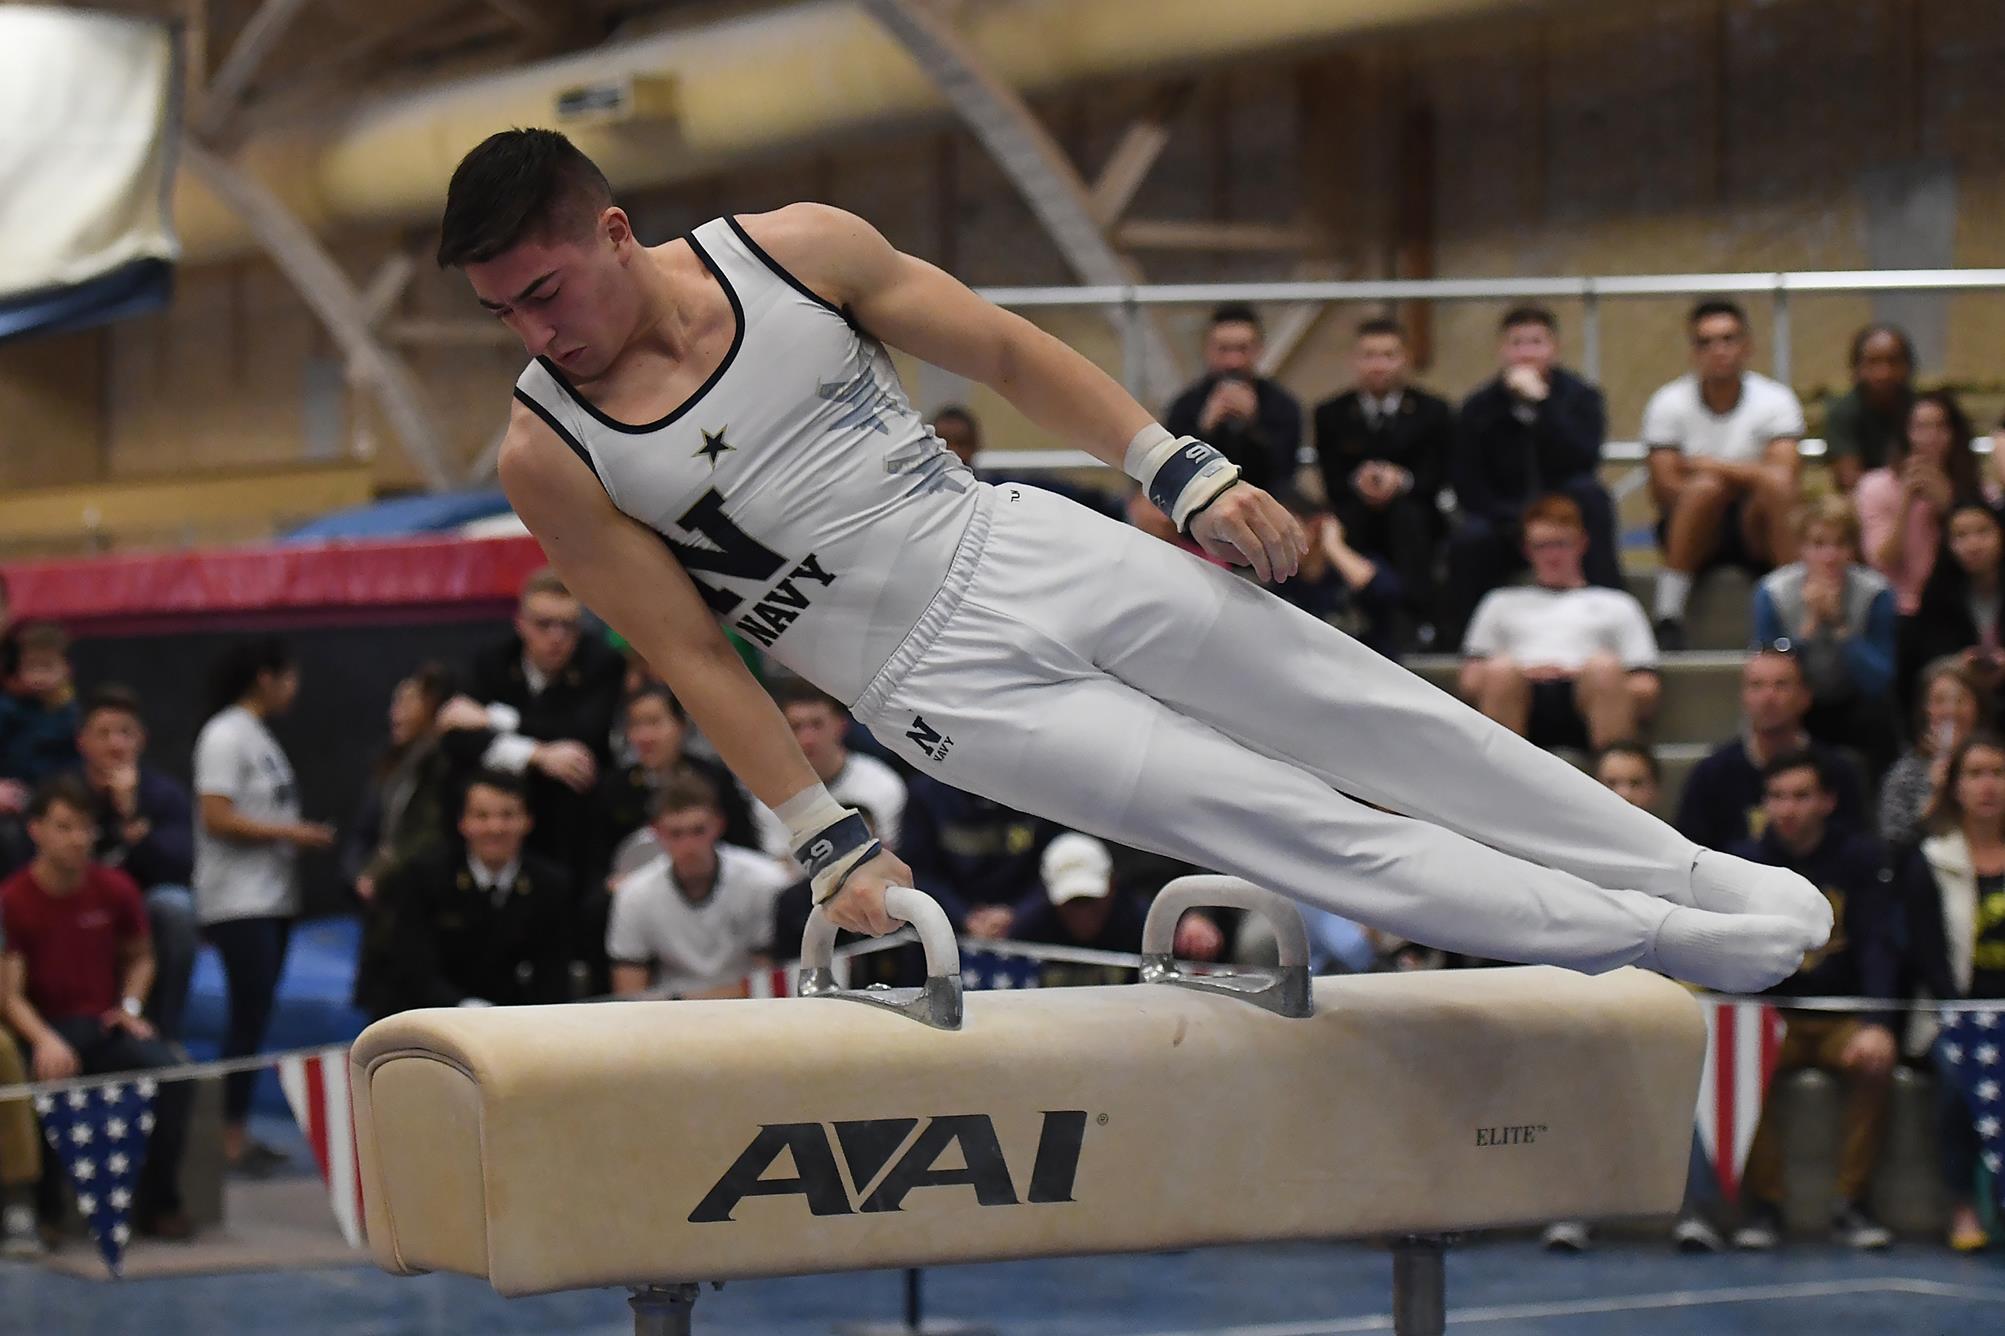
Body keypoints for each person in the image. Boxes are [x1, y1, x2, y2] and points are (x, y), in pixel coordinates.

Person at [445, 127, 1827, 999]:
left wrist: (1177, 467)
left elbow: (1000, 349)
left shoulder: (793, 252)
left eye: (545, 290)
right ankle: (1644, 941)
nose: (535, 332)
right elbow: (689, 652)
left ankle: (1684, 876)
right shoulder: (545, 449)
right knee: (1290, 826)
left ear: (613, 230)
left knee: (1384, 719)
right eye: (502, 311)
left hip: (1020, 538)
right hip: (938, 690)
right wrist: (827, 843)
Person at [1541, 739, 1728, 1255]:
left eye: (1635, 783)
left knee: (1688, 1072)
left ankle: (1694, 1212)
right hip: (1585, 1001)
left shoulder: (1692, 866)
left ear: (1656, 790)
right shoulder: (1563, 864)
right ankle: (1571, 1208)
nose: (1623, 795)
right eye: (1612, 784)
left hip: (1670, 1005)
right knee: (1580, 1060)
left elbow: (1703, 950)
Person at [0, 776, 193, 1239]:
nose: (77, 840)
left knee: (170, 1071)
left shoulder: (116, 889)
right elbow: (9, 993)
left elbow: (141, 954)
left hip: (105, 1024)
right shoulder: (14, 899)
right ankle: (44, 1210)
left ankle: (160, 1202)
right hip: (46, 1027)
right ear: (37, 831)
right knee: (35, 1074)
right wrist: (44, 1039)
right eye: (64, 828)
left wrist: (130, 1006)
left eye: (84, 829)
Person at [1727, 752, 1901, 1252]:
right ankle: (1764, 1204)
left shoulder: (1860, 859)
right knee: (1739, 1063)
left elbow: (1876, 944)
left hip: (1838, 1015)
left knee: (1878, 1061)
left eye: (1801, 796)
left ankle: (1852, 1201)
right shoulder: (1743, 864)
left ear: (1827, 801)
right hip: (1769, 1017)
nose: (1788, 809)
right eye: (1778, 796)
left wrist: (1877, 1021)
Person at [192, 638, 333, 1177]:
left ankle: (238, 1128)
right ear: (265, 677)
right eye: (289, 676)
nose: (294, 689)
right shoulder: (225, 735)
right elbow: (216, 815)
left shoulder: (259, 737)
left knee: (255, 1014)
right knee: (246, 1015)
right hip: (238, 900)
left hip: (271, 895)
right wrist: (290, 832)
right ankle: (228, 1134)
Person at [1447, 307, 1621, 648]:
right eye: (1517, 343)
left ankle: (1612, 617)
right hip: (1503, 520)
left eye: (1536, 342)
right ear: (1502, 350)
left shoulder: (1582, 397)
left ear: (1554, 348)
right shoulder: (1478, 407)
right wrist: (1514, 519)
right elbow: (1467, 481)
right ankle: (1462, 641)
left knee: (1593, 498)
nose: (1526, 352)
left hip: (1564, 514)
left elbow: (1584, 458)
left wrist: (1543, 405)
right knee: (1469, 539)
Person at [1892, 730, 2005, 1251]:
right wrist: (1959, 1010)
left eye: (1998, 774)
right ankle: (1962, 1202)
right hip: (1953, 1013)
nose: (1988, 786)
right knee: (1961, 1079)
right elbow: (1928, 953)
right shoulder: (1931, 859)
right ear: (1955, 787)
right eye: (1976, 774)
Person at [1643, 300, 1807, 650]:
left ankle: (1794, 614)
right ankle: (1668, 616)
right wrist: (1727, 482)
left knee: (1767, 487)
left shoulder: (1775, 399)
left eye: (1728, 339)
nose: (1719, 351)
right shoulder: (1668, 402)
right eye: (1706, 342)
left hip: (1757, 526)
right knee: (1704, 490)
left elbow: (1785, 478)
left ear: (1747, 346)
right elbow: (1664, 489)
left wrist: (1714, 467)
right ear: (1693, 351)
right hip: (1695, 527)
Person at [354, 772, 572, 1019]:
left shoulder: (549, 884)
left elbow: (552, 973)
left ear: (528, 821)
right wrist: (469, 1009)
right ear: (463, 823)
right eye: (481, 816)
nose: (495, 828)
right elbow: (413, 966)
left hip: (512, 1024)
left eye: (508, 816)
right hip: (430, 1018)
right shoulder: (424, 877)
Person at [1458, 495, 1659, 751]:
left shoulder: (1618, 603)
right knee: (1500, 670)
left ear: (1581, 544)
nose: (1552, 555)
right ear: (1527, 550)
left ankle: (1613, 772)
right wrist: (1526, 673)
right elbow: (1470, 681)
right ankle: (1500, 780)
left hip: (1590, 700)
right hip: (1518, 699)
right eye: (1542, 545)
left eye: (1561, 544)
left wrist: (1580, 675)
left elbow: (1647, 687)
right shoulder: (1500, 602)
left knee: (1603, 667)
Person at [467, 567, 628, 879]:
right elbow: (459, 738)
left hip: (574, 817)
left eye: (568, 625)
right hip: (505, 807)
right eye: (544, 624)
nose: (557, 637)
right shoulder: (492, 662)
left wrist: (496, 718)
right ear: (521, 624)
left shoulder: (602, 662)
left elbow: (584, 733)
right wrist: (537, 755)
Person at [68, 685, 200, 1042]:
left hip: (140, 907)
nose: (116, 744)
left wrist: (130, 814)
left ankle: (163, 1035)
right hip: (74, 904)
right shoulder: (65, 794)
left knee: (175, 907)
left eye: (125, 732)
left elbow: (179, 866)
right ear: (82, 741)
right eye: (104, 733)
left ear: (142, 739)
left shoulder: (163, 794)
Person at [1310, 319, 1452, 647]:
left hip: (1414, 513)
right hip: (1355, 511)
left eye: (1389, 355)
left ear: (1405, 359)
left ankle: (1416, 618)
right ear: (1354, 360)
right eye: (1369, 355)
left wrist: (1401, 480)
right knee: (1339, 521)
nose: (1378, 365)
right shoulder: (1330, 413)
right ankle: (1352, 613)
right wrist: (1358, 481)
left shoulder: (1433, 411)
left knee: (1409, 517)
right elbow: (1331, 480)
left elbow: (1438, 475)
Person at [607, 774, 791, 998]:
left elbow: (771, 980)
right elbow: (630, 993)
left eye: (698, 831)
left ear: (718, 825)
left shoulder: (764, 881)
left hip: (749, 1005)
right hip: (670, 1015)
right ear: (656, 833)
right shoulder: (634, 895)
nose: (688, 846)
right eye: (676, 834)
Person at [1752, 496, 1899, 776]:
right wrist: (1805, 632)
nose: (1829, 556)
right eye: (1819, 544)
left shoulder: (1875, 593)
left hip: (1853, 699)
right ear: (1801, 548)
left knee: (1880, 715)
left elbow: (1879, 679)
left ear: (1852, 549)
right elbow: (1765, 666)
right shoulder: (1773, 592)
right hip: (1797, 703)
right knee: (1770, 701)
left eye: (1840, 544)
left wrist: (1841, 628)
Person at [1676, 648, 1868, 851]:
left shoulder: (1837, 770)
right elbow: (1690, 853)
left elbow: (1856, 850)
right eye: (1757, 686)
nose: (1768, 697)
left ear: (1805, 696)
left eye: (1781, 685)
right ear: (1743, 697)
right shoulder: (1711, 774)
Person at [600, 683, 757, 882]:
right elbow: (597, 865)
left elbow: (746, 849)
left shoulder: (714, 779)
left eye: (654, 722)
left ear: (681, 725)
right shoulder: (613, 788)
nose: (645, 736)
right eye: (636, 725)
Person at [1855, 390, 1985, 616]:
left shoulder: (1977, 489)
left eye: (1940, 427)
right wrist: (1906, 500)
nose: (1931, 437)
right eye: (1921, 428)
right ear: (1906, 433)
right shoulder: (1874, 486)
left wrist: (1951, 506)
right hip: (1895, 608)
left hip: (1959, 607)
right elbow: (1881, 560)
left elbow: (1983, 563)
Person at [750, 680, 906, 859]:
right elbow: (781, 869)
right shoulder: (769, 796)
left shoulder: (883, 785)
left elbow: (889, 857)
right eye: (796, 727)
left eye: (817, 724)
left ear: (841, 725)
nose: (808, 739)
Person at [1162, 304, 1303, 495]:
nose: (1233, 362)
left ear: (1259, 349)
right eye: (1224, 350)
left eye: (1242, 349)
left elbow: (1285, 473)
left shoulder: (1282, 405)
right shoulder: (1185, 405)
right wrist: (1204, 429)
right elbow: (1173, 473)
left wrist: (1254, 426)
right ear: (1208, 350)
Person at [1270, 491, 1405, 659]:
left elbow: (1388, 593)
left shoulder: (1358, 566)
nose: (1275, 537)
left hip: (1369, 673)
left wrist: (1334, 546)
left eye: (1285, 527)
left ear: (1316, 525)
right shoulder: (1282, 583)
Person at [1902, 500, 2005, 714]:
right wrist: (1959, 665)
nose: (1973, 544)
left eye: (1983, 532)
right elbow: (1926, 662)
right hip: (1962, 695)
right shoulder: (1938, 591)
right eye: (1961, 536)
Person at [1879, 658, 1990, 847]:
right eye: (1939, 701)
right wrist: (1936, 794)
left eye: (1961, 700)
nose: (1951, 710)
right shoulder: (1906, 773)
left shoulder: (1997, 762)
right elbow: (1894, 843)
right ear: (1926, 710)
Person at [1823, 325, 1916, 495]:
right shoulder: (1843, 411)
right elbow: (1849, 480)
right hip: (1864, 498)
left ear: (1908, 366)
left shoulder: (1923, 409)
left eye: (1893, 361)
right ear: (1856, 369)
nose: (1884, 373)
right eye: (1873, 362)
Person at [0, 620, 80, 791]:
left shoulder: (74, 716)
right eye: (31, 666)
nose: (39, 676)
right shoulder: (7, 709)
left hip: (57, 796)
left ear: (67, 669)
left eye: (47, 666)